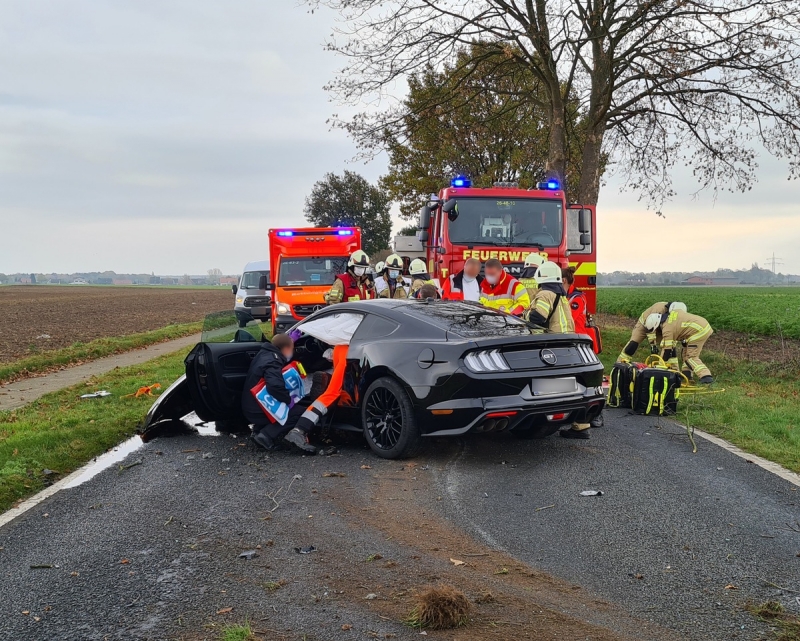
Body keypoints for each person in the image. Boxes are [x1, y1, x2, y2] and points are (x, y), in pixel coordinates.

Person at [241, 333, 318, 453]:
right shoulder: (273, 361)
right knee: (300, 413)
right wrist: (288, 400)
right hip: (257, 410)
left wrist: (290, 339)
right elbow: (275, 387)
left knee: (285, 405)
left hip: (250, 405)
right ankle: (265, 436)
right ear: (286, 349)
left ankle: (257, 432)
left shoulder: (265, 353)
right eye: (292, 349)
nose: (292, 352)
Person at [563, 266, 604, 428]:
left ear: (564, 281)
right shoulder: (566, 296)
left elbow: (569, 320)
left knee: (589, 381)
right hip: (569, 342)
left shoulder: (576, 298)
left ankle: (597, 415)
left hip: (578, 342)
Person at [646, 308, 714, 383]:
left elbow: (668, 350)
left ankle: (706, 377)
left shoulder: (667, 329)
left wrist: (661, 366)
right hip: (700, 327)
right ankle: (687, 375)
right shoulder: (670, 317)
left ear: (657, 324)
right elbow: (681, 327)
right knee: (685, 352)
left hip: (699, 331)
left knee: (691, 357)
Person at [617, 301, 687, 363]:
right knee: (633, 344)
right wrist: (653, 345)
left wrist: (682, 339)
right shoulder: (659, 308)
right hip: (644, 326)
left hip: (661, 329)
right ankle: (620, 364)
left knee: (669, 348)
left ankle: (668, 369)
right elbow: (650, 327)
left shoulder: (680, 316)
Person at [523, 261, 574, 332]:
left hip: (552, 339)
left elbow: (537, 318)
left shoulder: (545, 294)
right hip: (566, 338)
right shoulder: (561, 296)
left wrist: (525, 314)